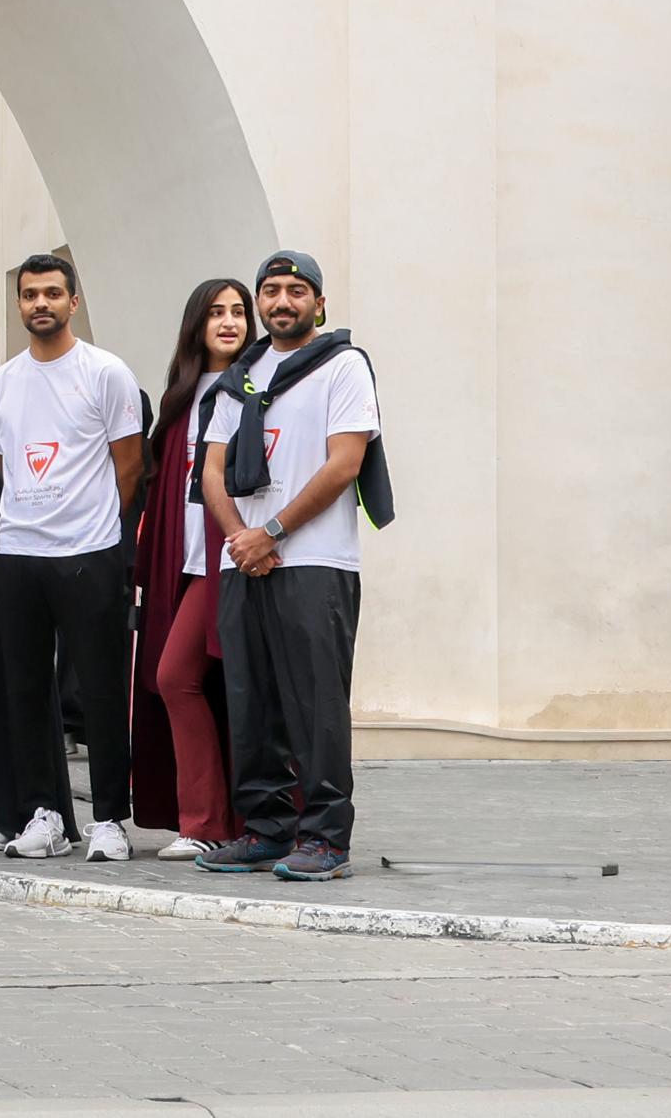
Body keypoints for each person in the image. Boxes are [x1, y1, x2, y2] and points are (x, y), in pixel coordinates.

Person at [197, 250, 385, 884]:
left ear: (318, 304)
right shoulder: (240, 377)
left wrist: (271, 532)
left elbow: (344, 463)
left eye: (296, 291)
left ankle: (327, 838)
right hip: (244, 563)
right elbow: (212, 469)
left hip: (315, 561)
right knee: (251, 702)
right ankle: (266, 829)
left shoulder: (343, 366)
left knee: (315, 705)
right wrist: (240, 539)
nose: (282, 301)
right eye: (272, 291)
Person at [0, 254, 148, 863]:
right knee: (25, 690)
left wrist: (93, 524)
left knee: (101, 690)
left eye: (51, 293)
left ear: (73, 302)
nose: (40, 303)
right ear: (19, 304)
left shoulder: (106, 372)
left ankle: (110, 820)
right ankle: (44, 814)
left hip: (90, 552)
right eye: (29, 294)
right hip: (19, 554)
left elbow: (130, 465)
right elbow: (4, 466)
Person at [133, 278, 252, 859]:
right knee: (185, 681)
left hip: (232, 561)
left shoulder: (257, 387)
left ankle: (208, 822)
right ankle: (215, 820)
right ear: (196, 325)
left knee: (176, 676)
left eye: (238, 312)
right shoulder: (182, 397)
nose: (229, 322)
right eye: (216, 312)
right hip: (183, 562)